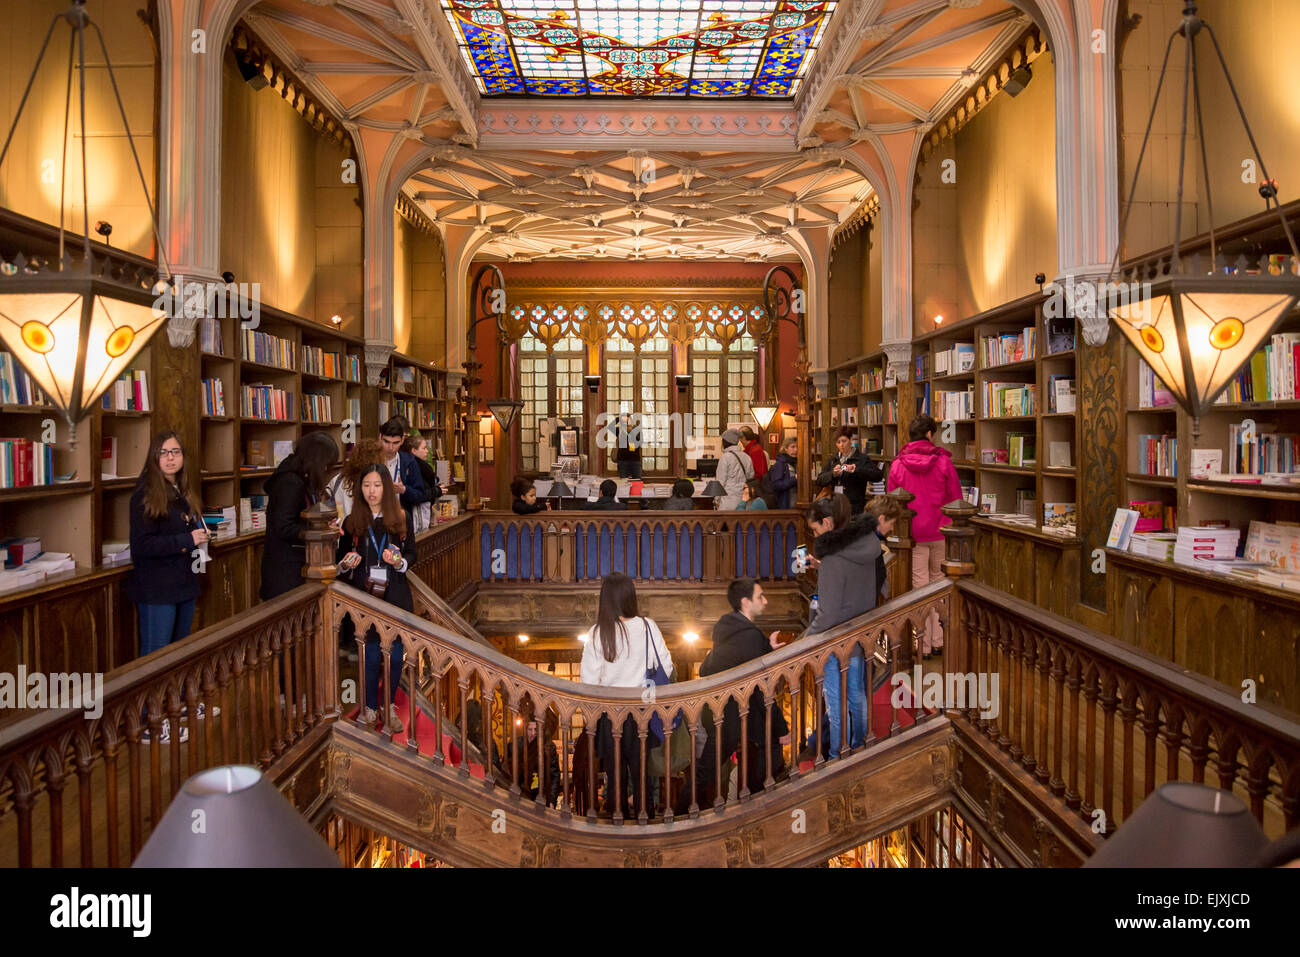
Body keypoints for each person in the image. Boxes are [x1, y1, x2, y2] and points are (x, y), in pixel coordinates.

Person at [580, 572, 673, 817]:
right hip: (643, 711)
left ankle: (616, 821)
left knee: (615, 775)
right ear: (630, 596)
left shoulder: (599, 632)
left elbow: (589, 681)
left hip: (611, 715)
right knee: (644, 775)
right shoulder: (647, 626)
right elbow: (668, 666)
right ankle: (645, 821)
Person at [336, 463, 416, 732]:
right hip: (365, 598)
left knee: (394, 658)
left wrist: (398, 562)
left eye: (377, 486)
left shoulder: (401, 518)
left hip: (395, 596)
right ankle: (370, 708)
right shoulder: (352, 522)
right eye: (367, 486)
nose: (372, 491)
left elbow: (412, 554)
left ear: (386, 488)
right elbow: (341, 559)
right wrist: (347, 564)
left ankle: (389, 706)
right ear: (360, 489)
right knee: (370, 657)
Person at [696, 578, 789, 805]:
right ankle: (753, 808)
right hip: (733, 715)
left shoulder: (730, 630)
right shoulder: (749, 636)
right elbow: (762, 690)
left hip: (720, 712)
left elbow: (722, 663)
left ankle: (682, 813)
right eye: (760, 597)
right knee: (767, 755)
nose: (765, 601)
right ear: (746, 602)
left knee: (705, 770)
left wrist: (765, 649)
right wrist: (781, 727)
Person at [803, 493, 882, 759]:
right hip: (860, 633)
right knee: (857, 696)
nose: (814, 537)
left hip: (835, 640)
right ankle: (860, 746)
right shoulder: (864, 545)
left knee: (836, 706)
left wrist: (805, 639)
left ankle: (838, 756)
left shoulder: (835, 560)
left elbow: (827, 614)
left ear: (827, 523)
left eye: (815, 530)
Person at [128, 431, 209, 656]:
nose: (170, 458)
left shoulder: (183, 491)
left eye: (175, 452)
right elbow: (142, 546)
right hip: (158, 588)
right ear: (154, 458)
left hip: (185, 582)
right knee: (157, 655)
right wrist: (187, 539)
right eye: (163, 453)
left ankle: (178, 694)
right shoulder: (144, 494)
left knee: (179, 654)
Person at [887, 414, 961, 656]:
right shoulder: (944, 463)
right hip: (940, 531)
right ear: (930, 434)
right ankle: (938, 640)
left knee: (919, 588)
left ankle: (922, 644)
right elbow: (955, 497)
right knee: (939, 585)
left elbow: (892, 500)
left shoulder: (898, 464)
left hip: (913, 533)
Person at [260, 431, 339, 600]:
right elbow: (284, 526)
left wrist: (323, 526)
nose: (326, 469)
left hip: (299, 563)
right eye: (326, 464)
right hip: (286, 570)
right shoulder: (290, 482)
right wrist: (318, 533)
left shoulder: (302, 478)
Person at [815, 427, 881, 514]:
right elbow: (819, 480)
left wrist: (856, 470)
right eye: (838, 442)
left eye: (844, 441)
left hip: (854, 507)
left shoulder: (861, 458)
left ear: (850, 440)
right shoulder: (833, 460)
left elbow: (878, 475)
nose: (841, 445)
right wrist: (833, 474)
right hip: (835, 506)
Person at [506, 710, 562, 805]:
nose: (532, 733)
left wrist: (552, 800)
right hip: (520, 797)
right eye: (529, 729)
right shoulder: (516, 746)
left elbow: (554, 776)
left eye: (535, 730)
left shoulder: (548, 746)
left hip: (542, 797)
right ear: (525, 729)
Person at [379, 415, 429, 514]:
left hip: (401, 519)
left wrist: (404, 490)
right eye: (386, 442)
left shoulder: (409, 462)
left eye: (395, 443)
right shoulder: (371, 460)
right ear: (380, 437)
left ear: (402, 440)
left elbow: (420, 495)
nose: (390, 447)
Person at [864, 495, 904, 605]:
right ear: (881, 519)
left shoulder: (863, 535)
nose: (892, 528)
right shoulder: (870, 545)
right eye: (891, 523)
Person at [403, 432, 442, 531]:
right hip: (415, 515)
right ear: (414, 451)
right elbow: (421, 493)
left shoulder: (424, 467)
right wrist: (437, 491)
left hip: (423, 513)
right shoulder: (414, 468)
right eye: (424, 448)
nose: (427, 452)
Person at [715, 428, 754, 510]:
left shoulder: (725, 457)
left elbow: (720, 481)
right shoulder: (747, 457)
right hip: (744, 500)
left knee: (726, 522)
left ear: (725, 442)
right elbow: (751, 477)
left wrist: (716, 499)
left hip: (728, 500)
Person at [767, 437, 799, 509]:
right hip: (784, 505)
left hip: (796, 505)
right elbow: (776, 485)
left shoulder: (798, 463)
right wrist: (794, 479)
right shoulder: (780, 464)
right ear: (785, 449)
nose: (796, 450)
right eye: (792, 447)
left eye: (797, 447)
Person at [615, 413, 642, 479]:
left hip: (635, 461)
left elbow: (640, 441)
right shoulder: (620, 430)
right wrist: (619, 418)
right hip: (622, 461)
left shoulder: (636, 429)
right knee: (623, 483)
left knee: (637, 482)